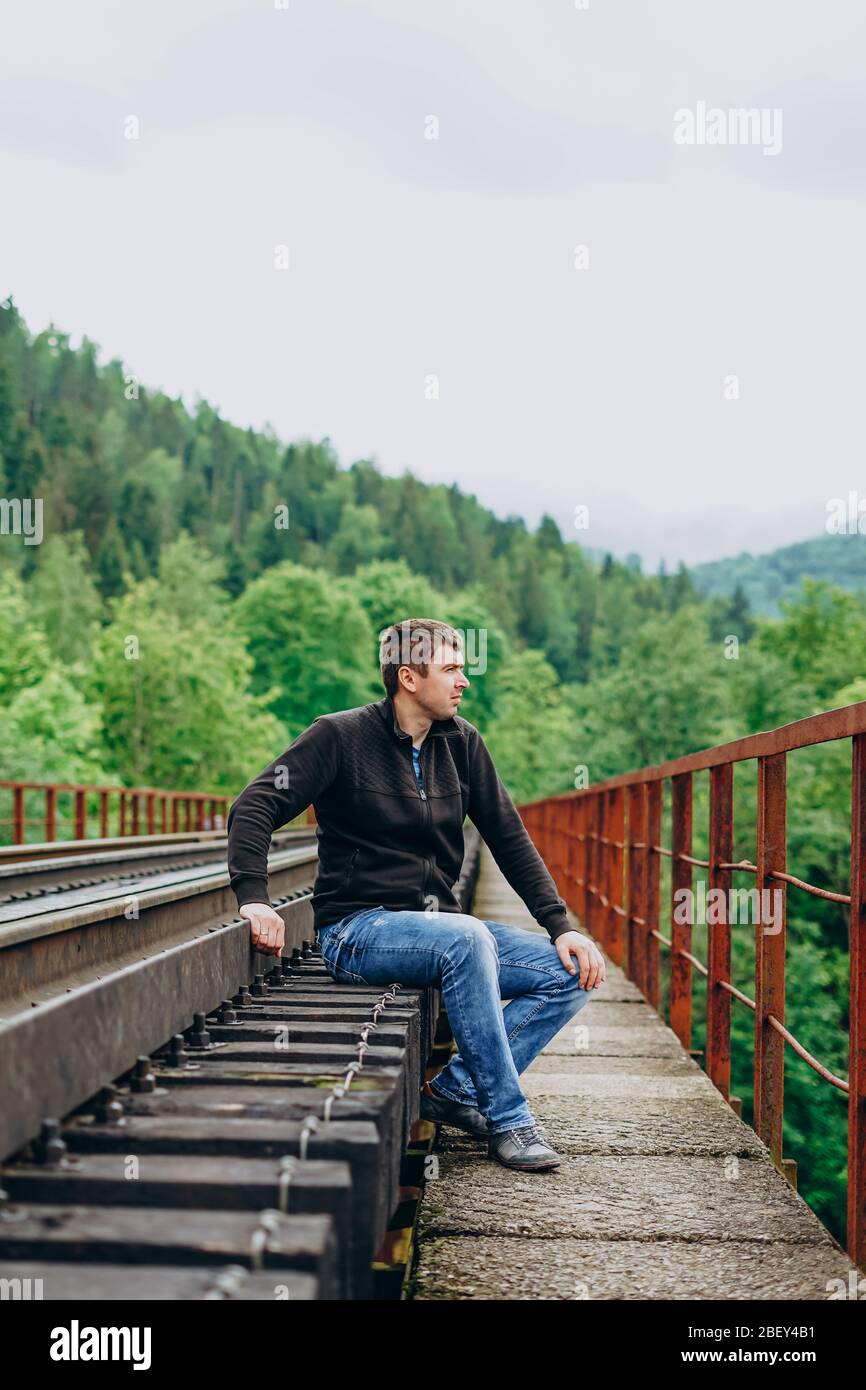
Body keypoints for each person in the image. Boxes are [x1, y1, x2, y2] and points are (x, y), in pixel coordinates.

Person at [226, 617, 605, 1172]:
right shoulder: (339, 737)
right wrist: (254, 896)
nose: (464, 682)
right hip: (358, 931)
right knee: (466, 938)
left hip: (441, 930)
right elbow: (254, 805)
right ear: (408, 676)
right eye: (452, 669)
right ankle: (508, 1119)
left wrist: (562, 927)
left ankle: (454, 1092)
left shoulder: (463, 744)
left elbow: (509, 838)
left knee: (571, 972)